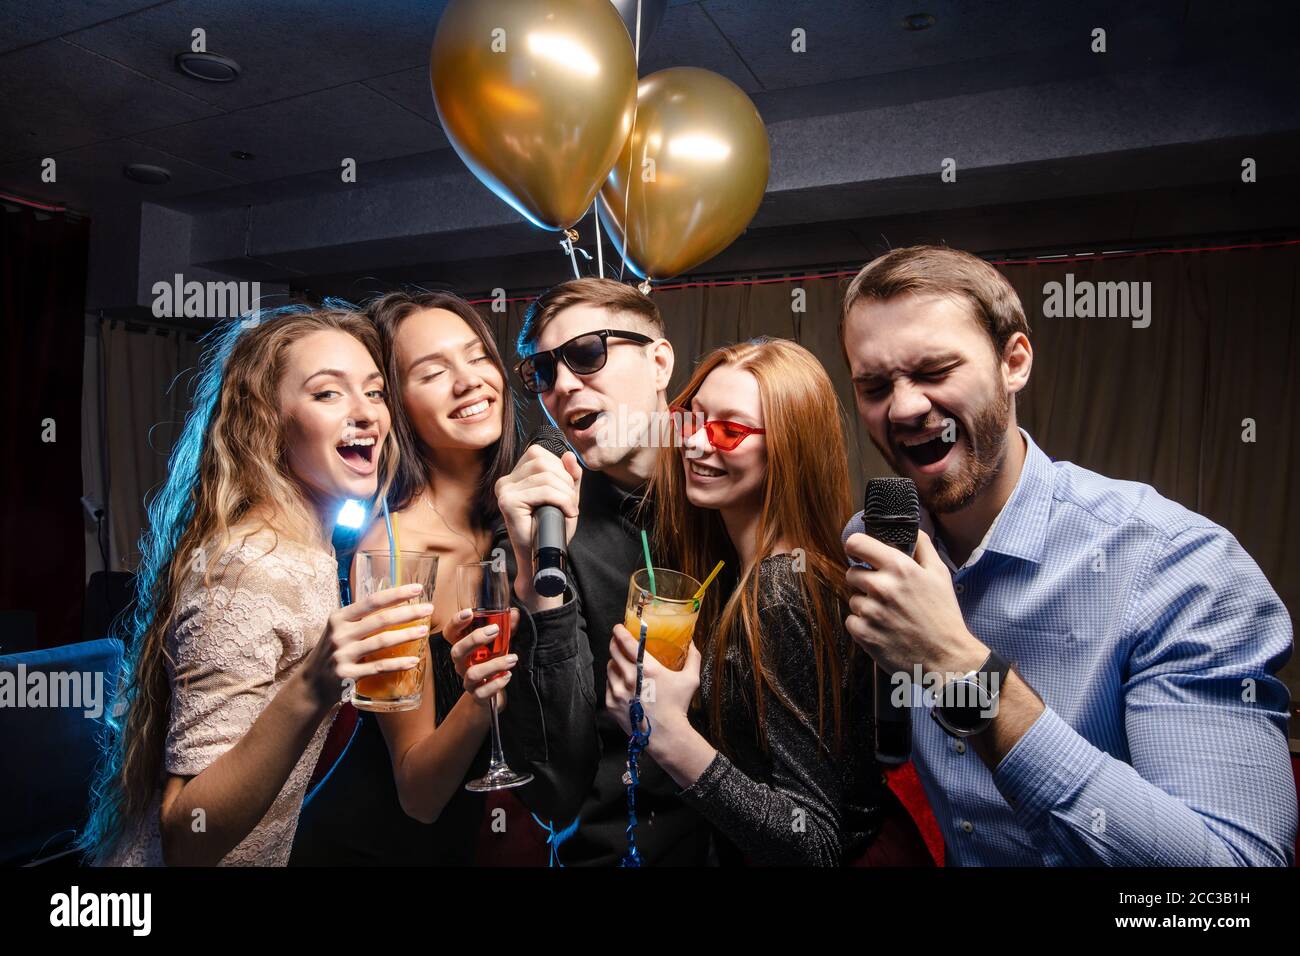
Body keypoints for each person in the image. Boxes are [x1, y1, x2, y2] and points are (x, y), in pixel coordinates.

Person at [838, 244, 1297, 865]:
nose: (905, 408)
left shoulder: (1179, 565)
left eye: (935, 371)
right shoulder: (880, 539)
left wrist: (960, 671)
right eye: (874, 385)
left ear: (1014, 362)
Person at [83, 304, 429, 866]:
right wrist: (313, 688)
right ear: (265, 419)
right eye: (327, 394)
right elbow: (184, 836)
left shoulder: (309, 550)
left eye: (374, 392)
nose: (366, 414)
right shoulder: (249, 568)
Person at [290, 291, 594, 865]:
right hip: (370, 850)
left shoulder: (525, 518)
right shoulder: (393, 554)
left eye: (478, 357)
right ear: (396, 407)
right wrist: (483, 697)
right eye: (433, 372)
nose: (469, 382)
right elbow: (417, 792)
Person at [604, 338, 889, 865]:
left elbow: (816, 844)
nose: (694, 444)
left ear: (790, 448)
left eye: (729, 431)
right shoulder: (753, 572)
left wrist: (665, 734)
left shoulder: (783, 591)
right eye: (692, 420)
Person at [495, 277, 714, 864]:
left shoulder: (732, 482)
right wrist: (534, 582)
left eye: (588, 353)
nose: (563, 384)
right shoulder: (546, 530)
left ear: (659, 360)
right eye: (542, 371)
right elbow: (551, 788)